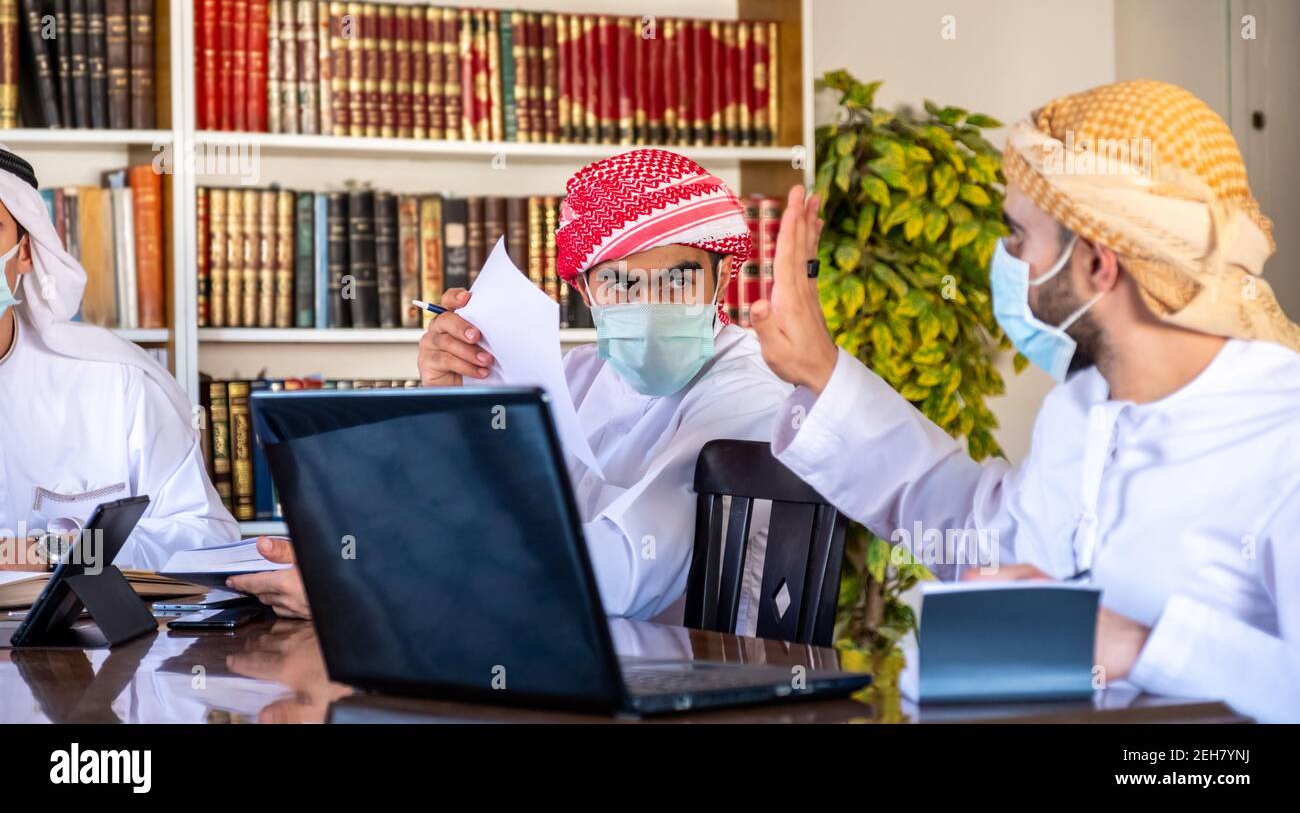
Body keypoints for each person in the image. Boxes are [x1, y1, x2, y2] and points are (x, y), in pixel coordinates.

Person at [749, 80, 1300, 722]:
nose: (1003, 259)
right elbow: (987, 538)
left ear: (1098, 263)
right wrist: (821, 370)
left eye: (1018, 238)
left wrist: (1138, 645)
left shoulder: (1283, 440)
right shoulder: (1080, 411)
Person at [232, 149, 792, 628]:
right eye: (617, 279)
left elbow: (623, 576)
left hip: (696, 684)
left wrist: (369, 584)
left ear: (721, 277)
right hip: (542, 651)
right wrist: (447, 401)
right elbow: (459, 514)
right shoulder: (571, 376)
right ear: (585, 290)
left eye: (678, 277)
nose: (648, 303)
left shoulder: (750, 392)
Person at [0, 147, 239, 571]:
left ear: (25, 252)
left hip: (81, 635)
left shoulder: (115, 381)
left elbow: (205, 537)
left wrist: (58, 551)